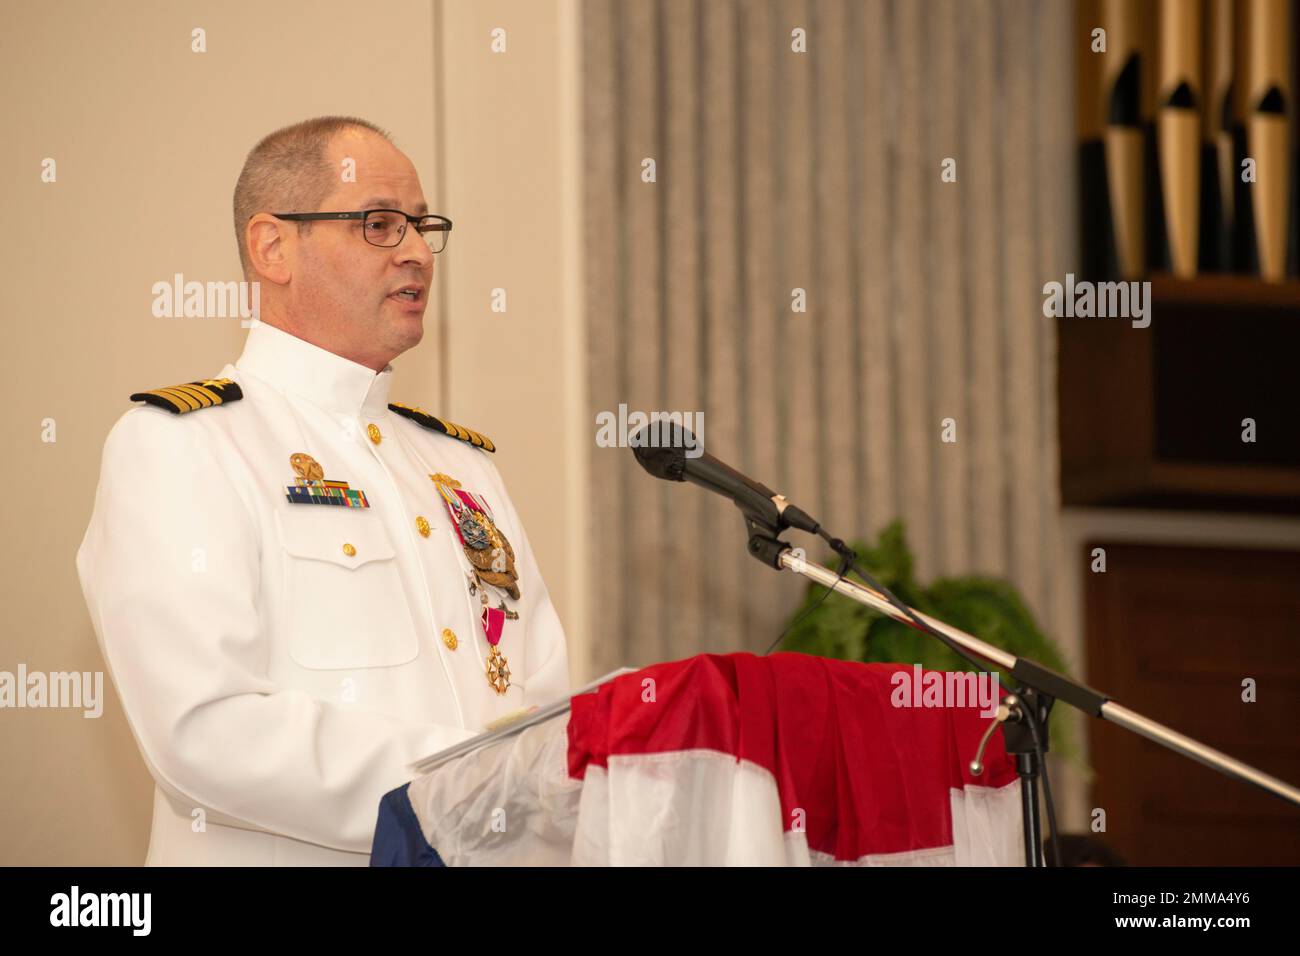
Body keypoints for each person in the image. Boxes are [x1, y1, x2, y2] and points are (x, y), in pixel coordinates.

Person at [76, 116, 570, 866]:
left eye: (421, 225)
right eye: (378, 224)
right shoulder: (182, 445)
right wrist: (468, 787)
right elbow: (205, 732)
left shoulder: (462, 468)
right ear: (272, 247)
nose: (415, 252)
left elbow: (537, 695)